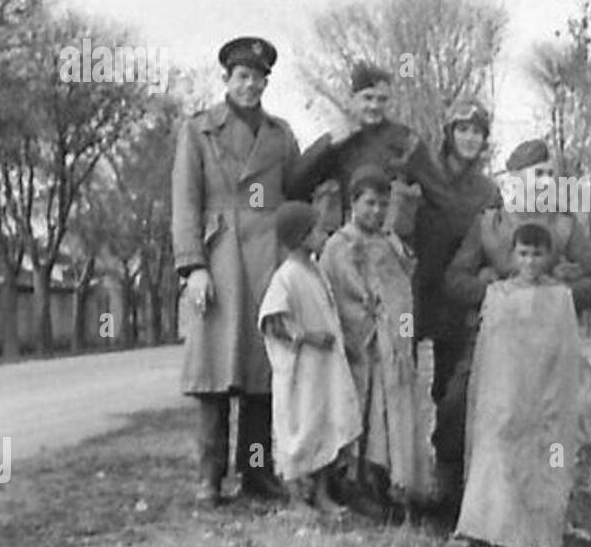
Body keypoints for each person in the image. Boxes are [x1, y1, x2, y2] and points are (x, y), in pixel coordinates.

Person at [439, 138, 591, 516]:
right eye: (538, 176)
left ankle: (552, 514)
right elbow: (454, 280)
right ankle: (455, 502)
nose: (547, 183)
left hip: (548, 351)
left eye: (551, 175)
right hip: (492, 346)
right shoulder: (489, 226)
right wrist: (498, 287)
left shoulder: (565, 228)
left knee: (552, 433)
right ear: (514, 181)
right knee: (456, 406)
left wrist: (552, 290)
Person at [171, 36, 301, 506]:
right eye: (242, 76)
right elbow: (185, 203)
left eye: (259, 78)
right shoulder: (199, 130)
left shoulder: (281, 134)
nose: (251, 85)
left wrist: (295, 260)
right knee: (213, 371)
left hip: (267, 259)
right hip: (219, 256)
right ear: (226, 79)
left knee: (259, 370)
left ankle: (256, 472)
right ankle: (209, 476)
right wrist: (193, 268)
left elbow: (296, 195)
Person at [454, 223, 583, 547]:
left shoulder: (560, 298)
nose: (530, 261)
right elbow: (488, 352)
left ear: (549, 257)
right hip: (504, 397)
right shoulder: (498, 295)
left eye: (537, 254)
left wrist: (555, 398)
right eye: (523, 254)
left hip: (546, 402)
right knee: (498, 465)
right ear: (513, 256)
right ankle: (491, 540)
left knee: (547, 466)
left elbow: (567, 352)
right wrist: (495, 397)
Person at [321, 166, 436, 519]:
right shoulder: (340, 247)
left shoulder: (390, 244)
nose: (376, 212)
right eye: (369, 203)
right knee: (364, 413)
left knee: (395, 413)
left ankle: (393, 484)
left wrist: (401, 333)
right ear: (353, 203)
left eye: (383, 205)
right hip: (363, 350)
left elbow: (401, 294)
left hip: (394, 349)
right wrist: (369, 322)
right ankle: (356, 483)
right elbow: (341, 297)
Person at [409, 100, 503, 500]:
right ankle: (390, 479)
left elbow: (496, 244)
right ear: (449, 133)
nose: (469, 138)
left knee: (453, 393)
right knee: (396, 383)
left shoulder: (487, 190)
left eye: (477, 131)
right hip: (412, 293)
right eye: (462, 129)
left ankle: (449, 484)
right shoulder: (422, 174)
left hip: (458, 300)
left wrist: (485, 275)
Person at [258, 202, 362, 511]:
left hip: (324, 374)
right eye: (317, 230)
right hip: (301, 374)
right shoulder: (286, 277)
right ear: (302, 236)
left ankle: (322, 493)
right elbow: (272, 322)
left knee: (325, 426)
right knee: (300, 430)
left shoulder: (316, 271)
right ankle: (296, 496)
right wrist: (307, 336)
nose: (324, 234)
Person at [286, 60, 459, 242]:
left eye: (381, 99)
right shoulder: (336, 143)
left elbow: (443, 201)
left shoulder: (407, 143)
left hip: (390, 251)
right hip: (342, 246)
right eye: (368, 98)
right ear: (352, 98)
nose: (374, 106)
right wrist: (326, 147)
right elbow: (295, 188)